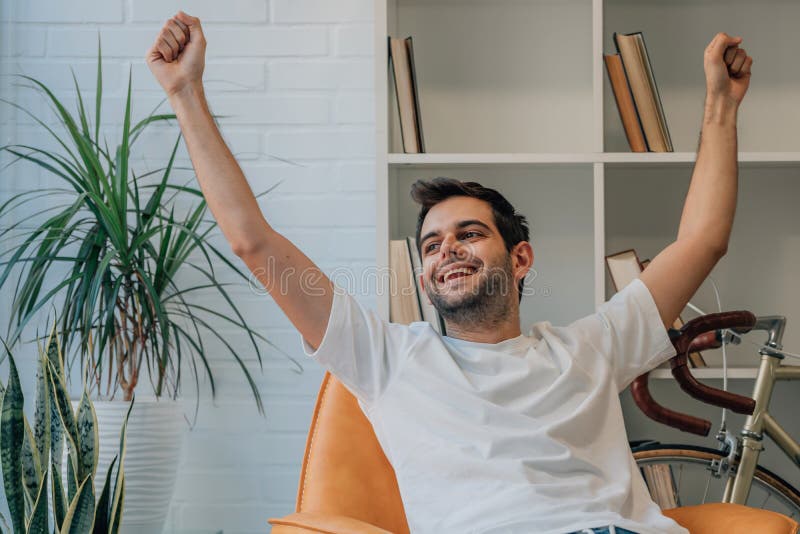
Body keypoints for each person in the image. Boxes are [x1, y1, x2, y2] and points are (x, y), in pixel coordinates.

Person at [147, 13, 752, 534]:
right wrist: (186, 94)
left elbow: (705, 242)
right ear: (422, 278)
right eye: (432, 245)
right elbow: (253, 243)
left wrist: (721, 106)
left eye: (470, 233)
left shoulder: (588, 349)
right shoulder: (385, 360)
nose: (449, 251)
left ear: (520, 259)